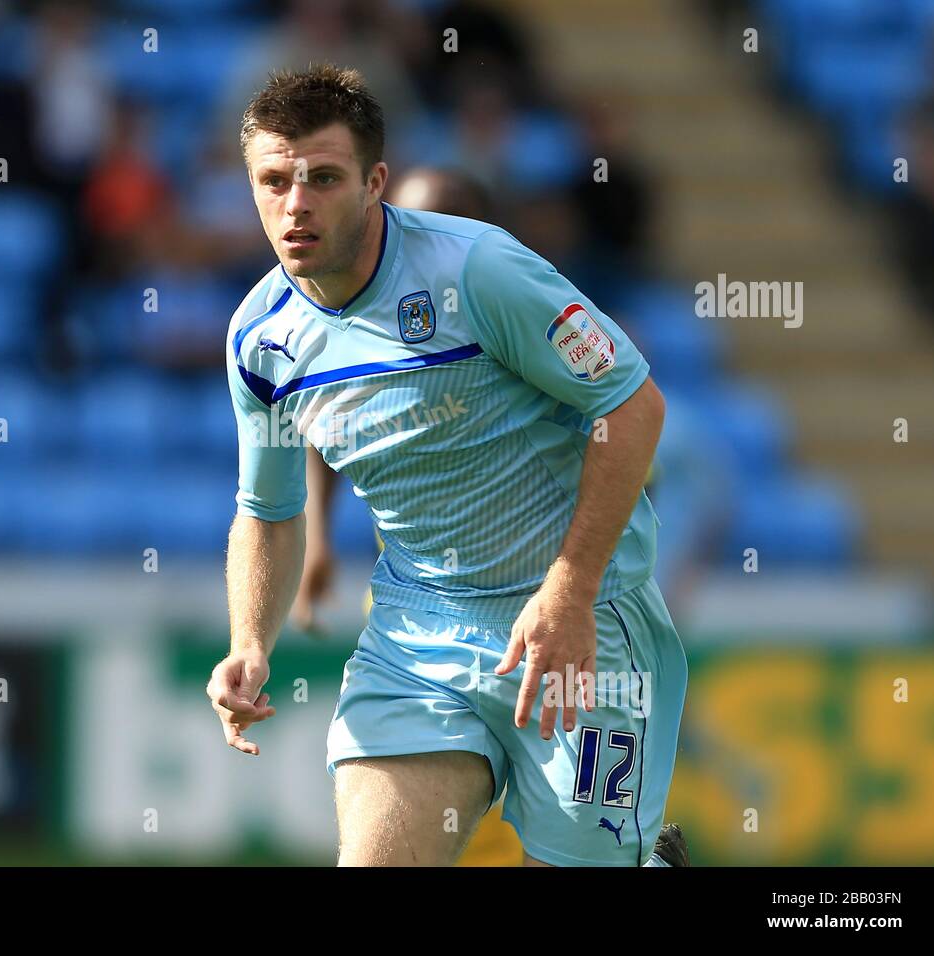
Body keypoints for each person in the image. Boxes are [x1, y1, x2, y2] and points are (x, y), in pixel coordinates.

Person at [207, 65, 688, 867]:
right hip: (418, 634)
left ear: (375, 183)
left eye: (324, 178)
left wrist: (568, 591)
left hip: (584, 630)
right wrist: (250, 642)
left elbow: (632, 406)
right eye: (274, 180)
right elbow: (267, 509)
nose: (296, 204)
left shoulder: (475, 270)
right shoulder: (260, 341)